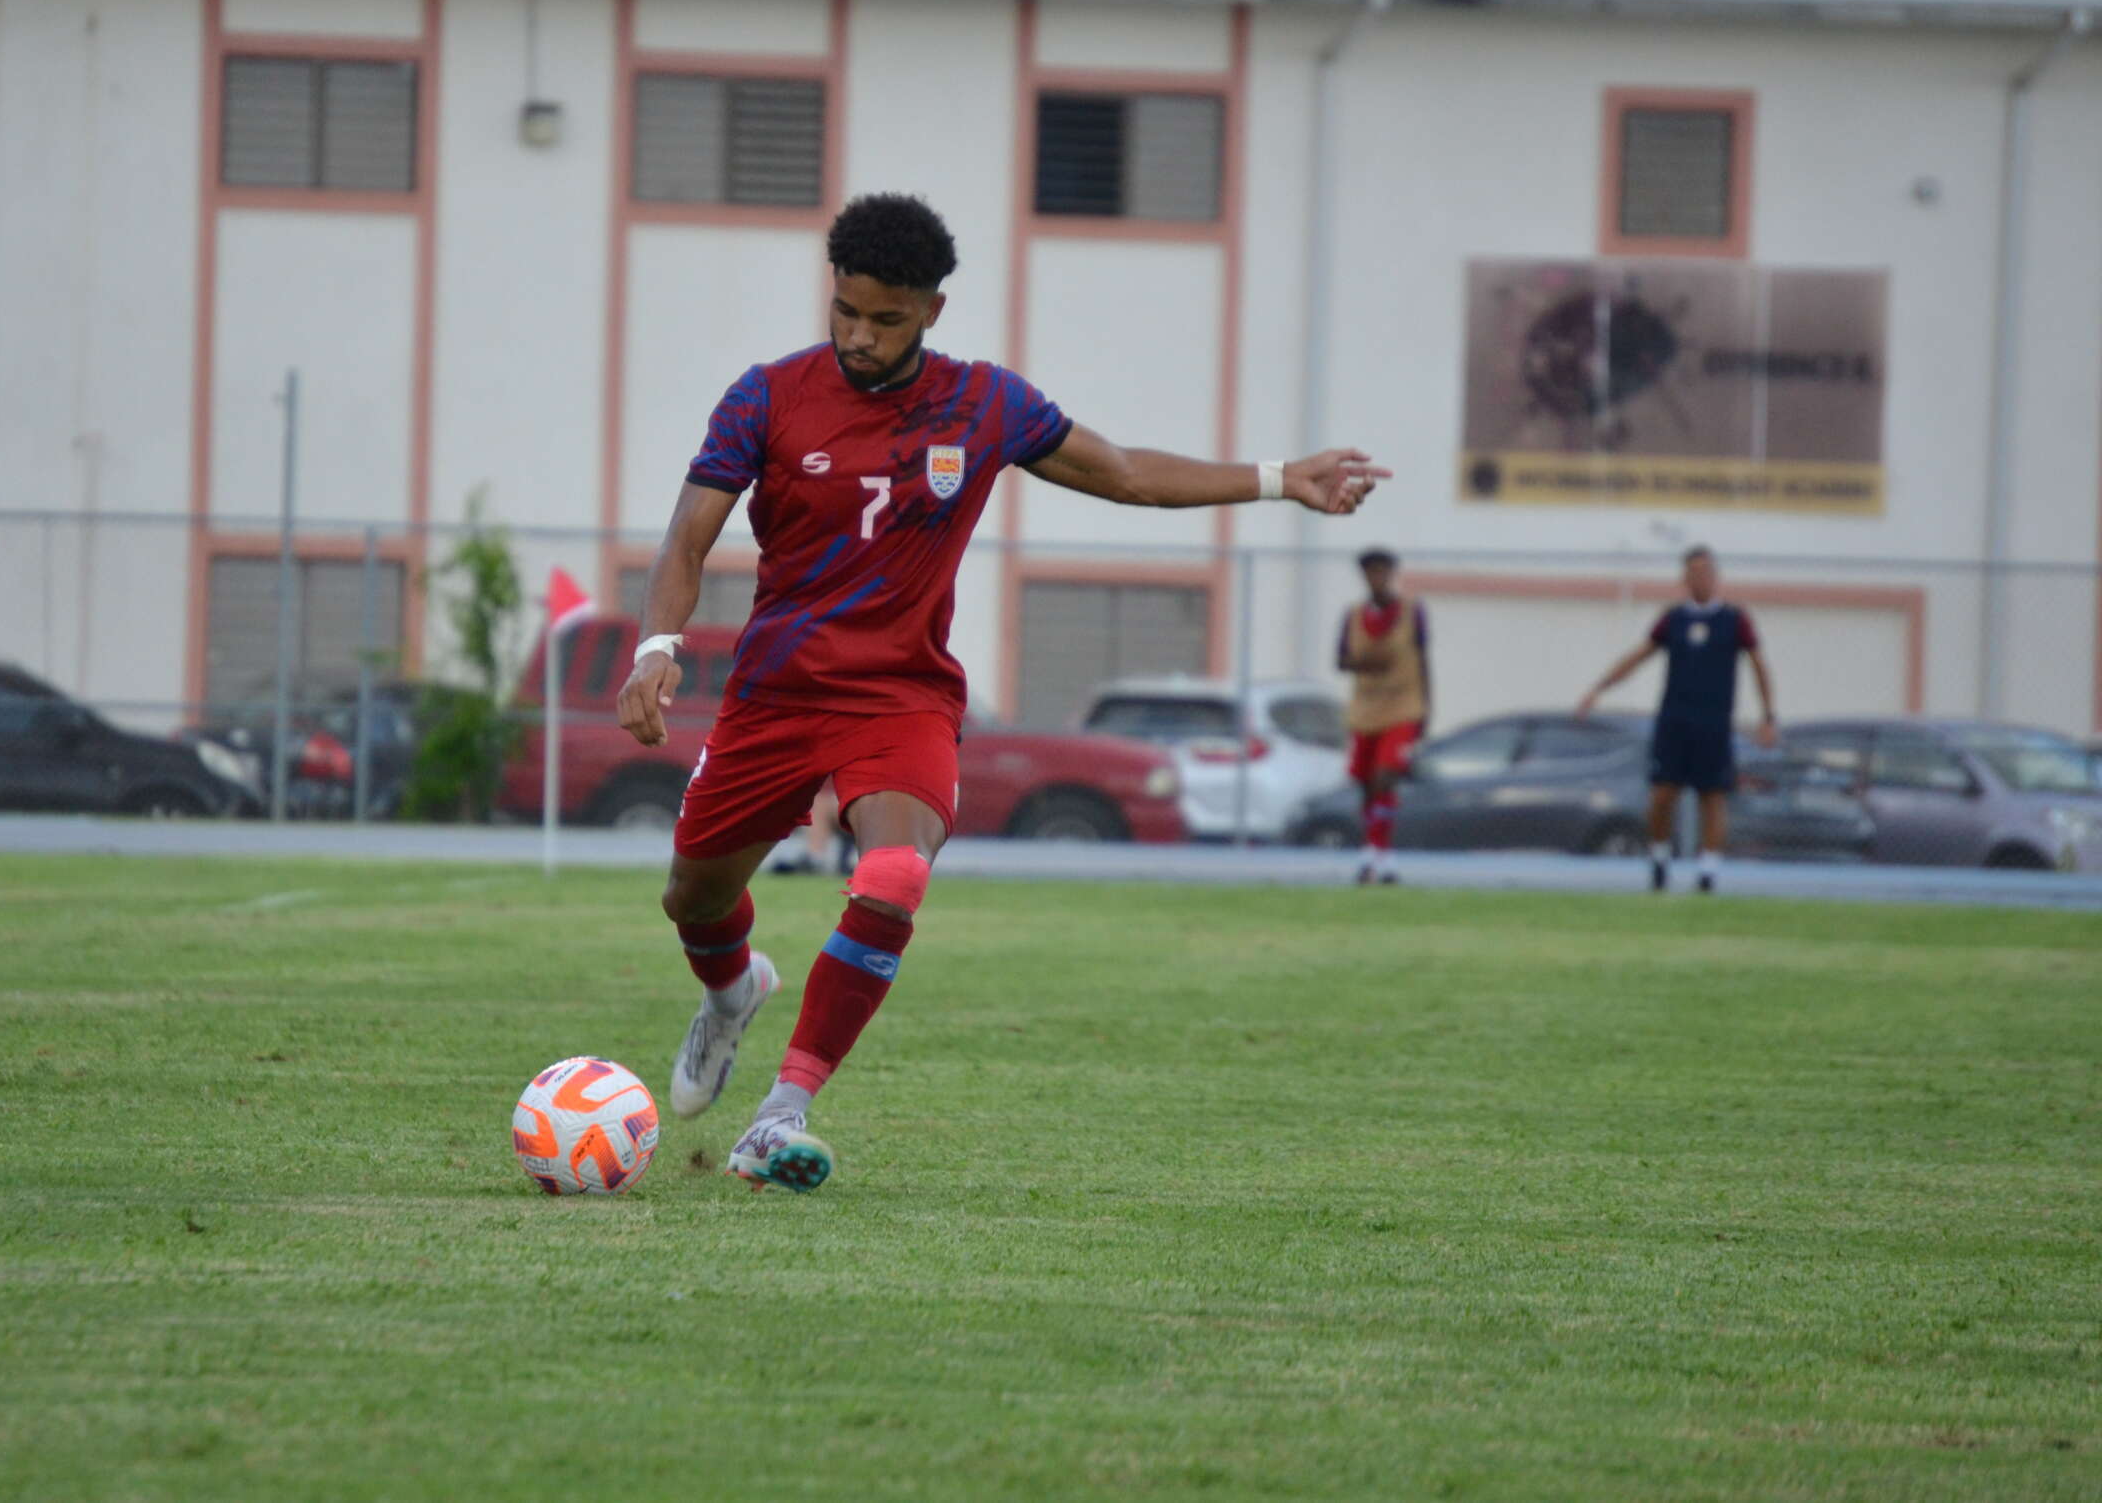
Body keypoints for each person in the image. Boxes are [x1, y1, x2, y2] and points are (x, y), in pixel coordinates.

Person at [617, 193, 1389, 1192]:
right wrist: (657, 648)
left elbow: (1125, 473)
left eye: (886, 319)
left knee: (894, 875)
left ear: (931, 311)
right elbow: (687, 538)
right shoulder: (766, 397)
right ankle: (730, 994)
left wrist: (1282, 478)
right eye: (845, 310)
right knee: (693, 896)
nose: (859, 336)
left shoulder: (982, 404)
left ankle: (780, 1114)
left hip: (901, 698)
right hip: (775, 698)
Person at [1573, 545, 1777, 894]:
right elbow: (1638, 656)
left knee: (1712, 797)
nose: (1701, 578)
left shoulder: (1734, 620)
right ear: (1684, 578)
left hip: (1714, 723)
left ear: (1716, 576)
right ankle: (1659, 862)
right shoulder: (1674, 619)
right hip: (1674, 721)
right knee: (1662, 796)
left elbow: (1759, 665)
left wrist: (1768, 715)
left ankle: (1708, 872)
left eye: (1707, 572)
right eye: (1694, 572)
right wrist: (1599, 689)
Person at [1336, 548, 1429, 886]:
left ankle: (1379, 855)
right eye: (1371, 572)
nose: (1377, 578)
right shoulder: (1353, 615)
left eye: (1382, 571)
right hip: (1366, 707)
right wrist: (1367, 663)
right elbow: (1340, 659)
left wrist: (1426, 710)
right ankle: (1375, 854)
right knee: (1365, 784)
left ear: (1392, 574)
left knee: (1384, 776)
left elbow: (1423, 660)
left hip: (1403, 705)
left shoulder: (1412, 612)